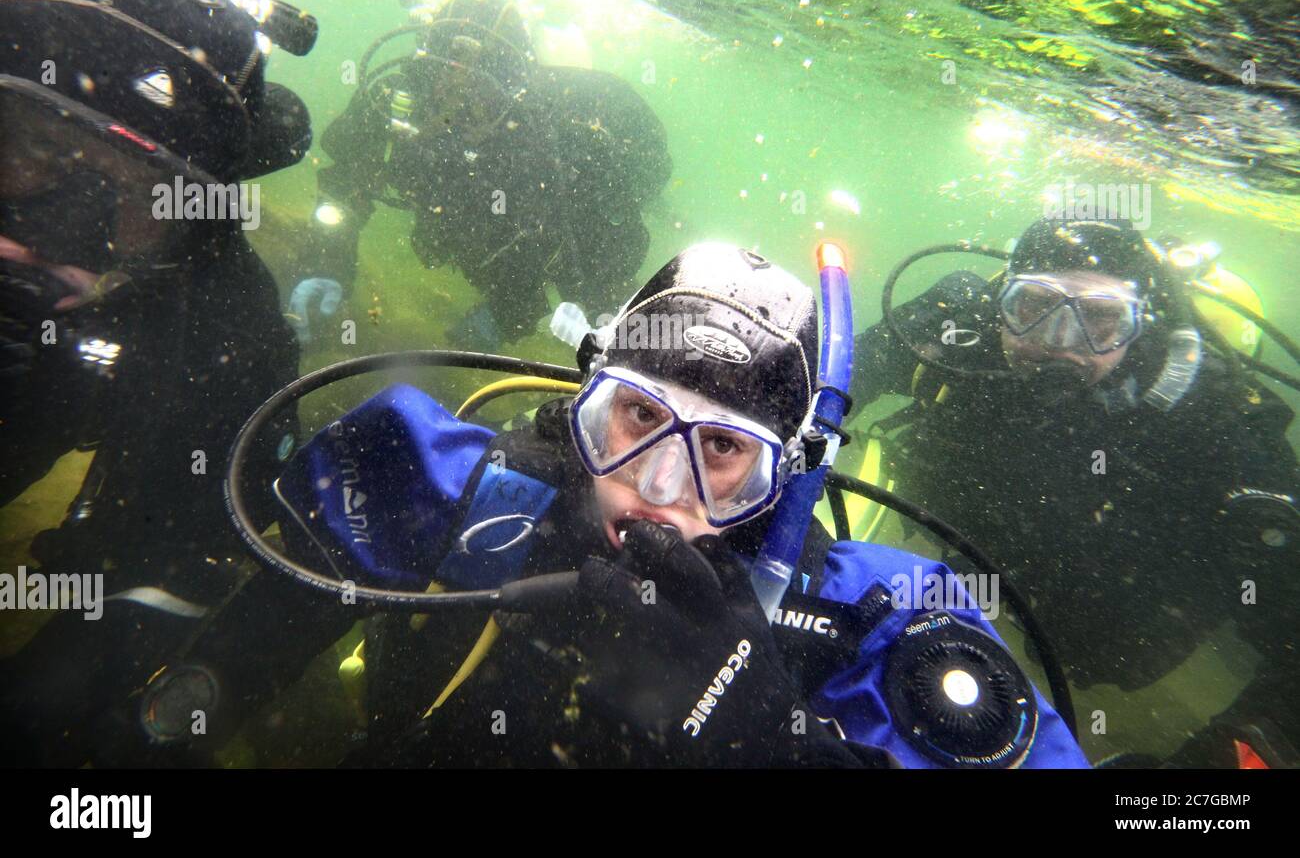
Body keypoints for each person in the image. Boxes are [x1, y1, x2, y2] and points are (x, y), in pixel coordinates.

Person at [184, 243, 1087, 768]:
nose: (658, 489)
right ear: (588, 398)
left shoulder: (881, 619)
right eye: (639, 417)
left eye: (723, 450)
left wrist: (769, 737)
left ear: (788, 474)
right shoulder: (458, 489)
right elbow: (221, 675)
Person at [0, 0, 312, 766]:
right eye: (32, 144)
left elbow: (177, 552)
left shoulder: (221, 331)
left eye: (142, 192)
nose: (61, 231)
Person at [849, 218, 1300, 767]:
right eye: (1032, 306)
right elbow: (804, 386)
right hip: (974, 570)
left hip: (1116, 633)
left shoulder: (1215, 421)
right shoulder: (955, 328)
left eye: (1102, 318)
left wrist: (1213, 768)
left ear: (1141, 326)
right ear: (1000, 302)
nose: (1059, 343)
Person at [289, 0, 672, 349]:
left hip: (534, 249)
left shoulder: (553, 137)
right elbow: (345, 185)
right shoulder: (395, 102)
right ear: (426, 67)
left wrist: (509, 314)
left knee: (618, 333)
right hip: (478, 240)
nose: (460, 90)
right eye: (447, 72)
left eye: (481, 79)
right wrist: (327, 259)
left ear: (517, 81)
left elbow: (590, 262)